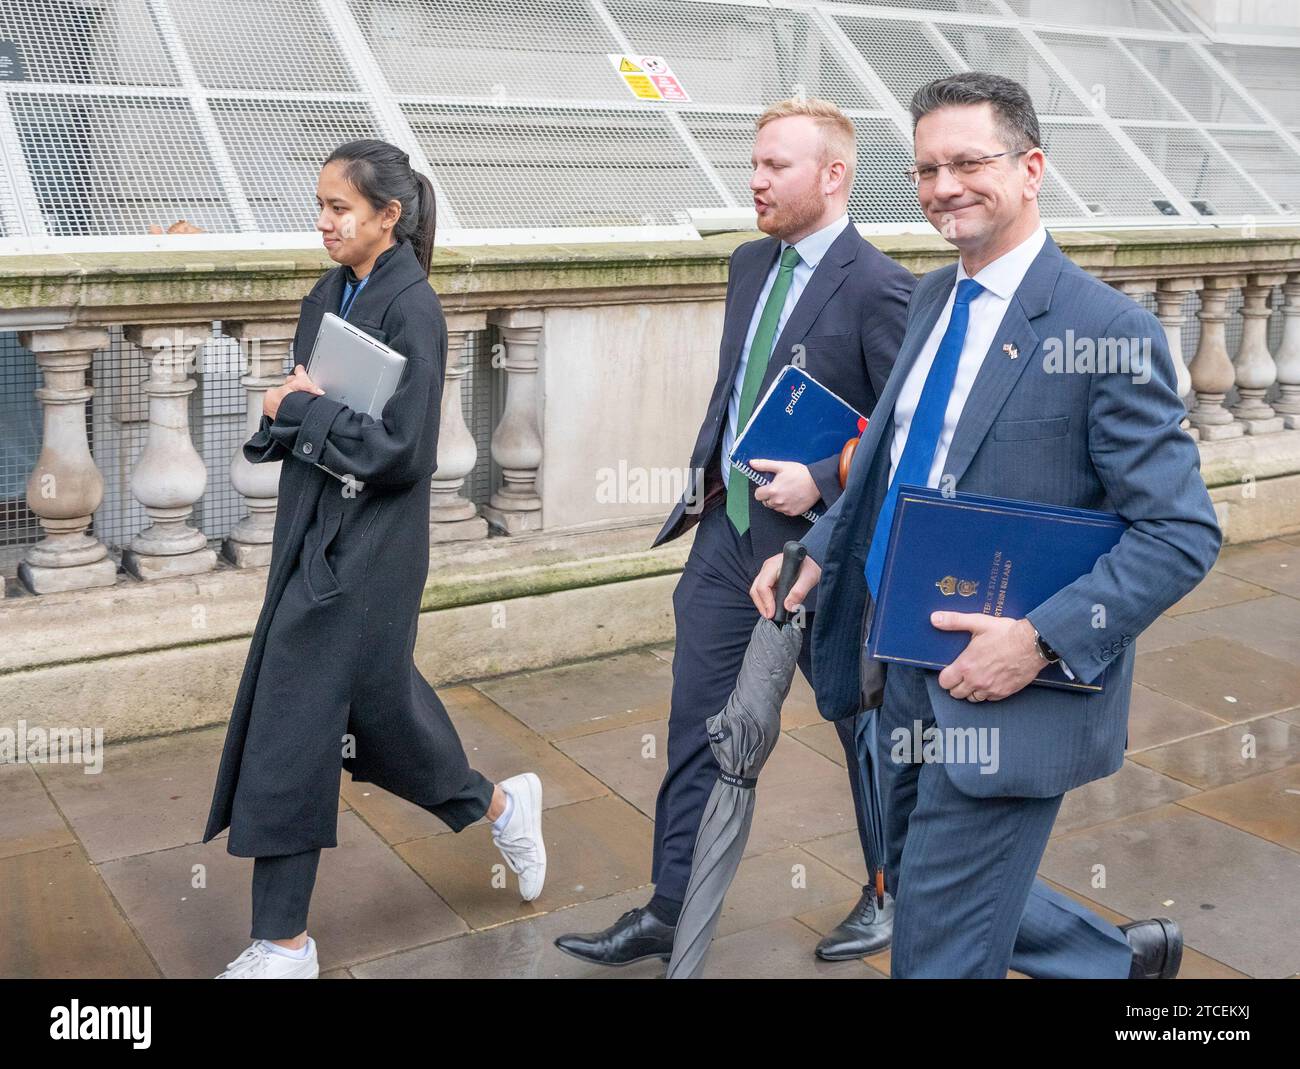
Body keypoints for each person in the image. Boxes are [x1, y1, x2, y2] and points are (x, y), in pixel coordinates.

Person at [751, 73, 1221, 979]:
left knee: (930, 947)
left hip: (1006, 686)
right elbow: (897, 467)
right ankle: (1123, 971)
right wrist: (820, 549)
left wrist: (1039, 642)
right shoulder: (933, 298)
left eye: (969, 162)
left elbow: (1179, 533)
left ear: (1032, 167)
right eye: (927, 168)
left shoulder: (1107, 330)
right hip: (900, 659)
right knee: (929, 876)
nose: (943, 186)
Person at [554, 99, 915, 968]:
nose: (753, 180)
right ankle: (671, 907)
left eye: (774, 166)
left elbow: (906, 428)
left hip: (823, 550)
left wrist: (825, 479)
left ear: (833, 175)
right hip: (726, 535)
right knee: (696, 722)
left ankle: (888, 892)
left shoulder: (881, 286)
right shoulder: (749, 263)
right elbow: (738, 388)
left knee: (855, 725)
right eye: (752, 163)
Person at [203, 139, 545, 979]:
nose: (323, 221)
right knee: (379, 725)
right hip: (315, 537)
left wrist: (306, 409)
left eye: (339, 208)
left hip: (369, 557)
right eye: (319, 204)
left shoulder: (412, 307)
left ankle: (284, 943)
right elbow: (309, 399)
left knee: (292, 726)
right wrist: (286, 410)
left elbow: (403, 450)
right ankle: (502, 803)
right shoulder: (331, 290)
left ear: (388, 217)